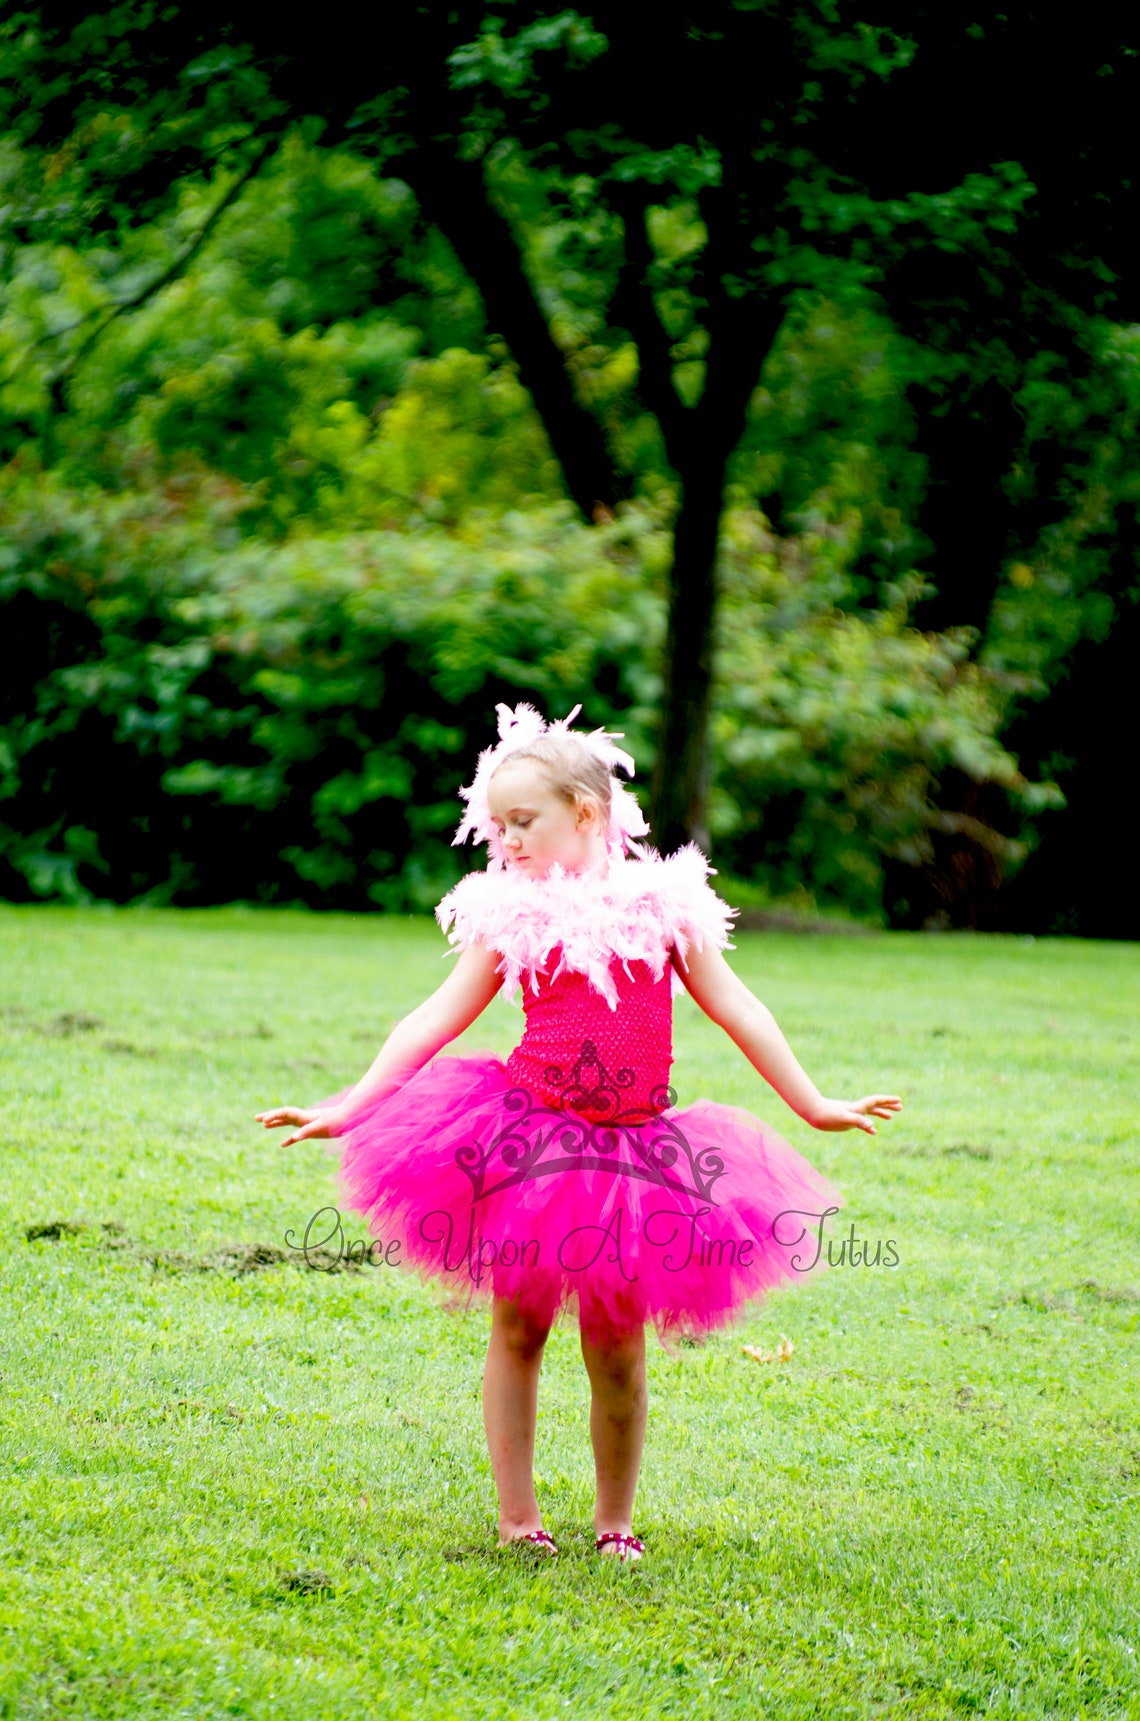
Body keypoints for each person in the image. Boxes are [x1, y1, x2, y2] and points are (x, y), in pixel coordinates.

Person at [256, 702, 901, 1562]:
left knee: (618, 1351)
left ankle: (614, 1521)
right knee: (519, 1327)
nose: (507, 842)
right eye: (497, 826)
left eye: (523, 821)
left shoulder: (666, 909)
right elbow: (432, 1020)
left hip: (633, 1158)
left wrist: (813, 1101)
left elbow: (740, 1008)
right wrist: (352, 1103)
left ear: (588, 814)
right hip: (530, 1147)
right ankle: (519, 1517)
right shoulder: (510, 916)